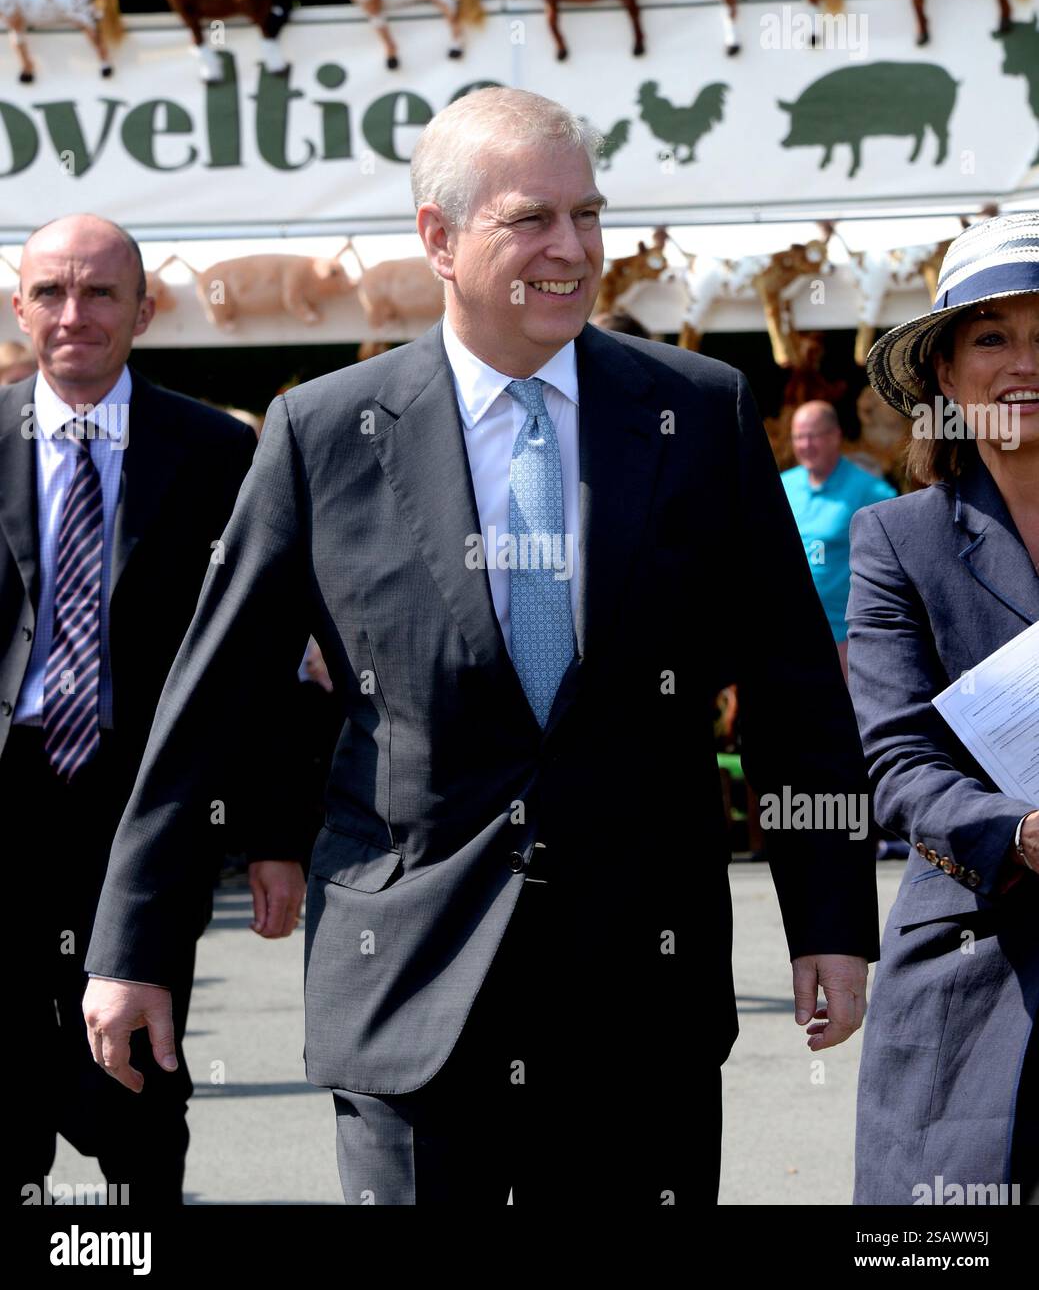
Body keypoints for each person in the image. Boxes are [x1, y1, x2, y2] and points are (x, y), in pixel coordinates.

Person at [82, 87, 878, 1206]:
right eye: (531, 220)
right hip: (407, 988)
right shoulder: (323, 432)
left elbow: (795, 685)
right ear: (438, 238)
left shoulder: (695, 413)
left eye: (586, 215)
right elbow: (209, 701)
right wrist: (133, 945)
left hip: (637, 994)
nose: (572, 249)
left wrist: (832, 920)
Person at [2, 214, 305, 1205]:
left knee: (136, 1068)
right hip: (9, 795)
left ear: (144, 307)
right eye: (51, 292)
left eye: (98, 292)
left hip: (147, 812)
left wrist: (271, 831)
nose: (74, 314)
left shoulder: (217, 452)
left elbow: (259, 657)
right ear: (20, 309)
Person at [847, 211, 1039, 1205]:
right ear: (944, 376)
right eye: (992, 338)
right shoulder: (897, 542)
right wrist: (1022, 832)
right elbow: (896, 761)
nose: (1022, 365)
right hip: (970, 947)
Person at [781, 400, 896, 682]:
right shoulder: (783, 484)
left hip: (844, 641)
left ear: (835, 436)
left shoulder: (871, 492)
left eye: (812, 435)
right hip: (788, 635)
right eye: (798, 437)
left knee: (844, 721)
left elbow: (894, 563)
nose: (805, 445)